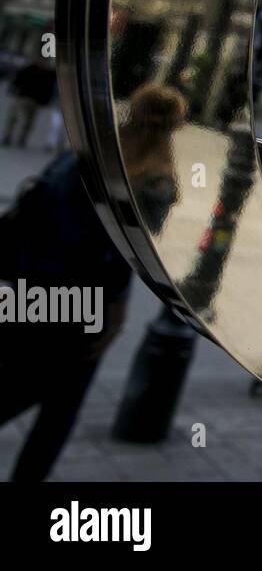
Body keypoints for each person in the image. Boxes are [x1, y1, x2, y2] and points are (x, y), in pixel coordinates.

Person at [0, 83, 184, 481]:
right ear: (176, 126)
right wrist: (116, 312)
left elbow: (35, 204)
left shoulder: (85, 152)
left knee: (18, 379)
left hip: (32, 291)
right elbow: (127, 252)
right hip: (88, 306)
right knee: (57, 411)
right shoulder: (154, 181)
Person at [3, 58, 58, 149]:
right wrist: (13, 89)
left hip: (34, 101)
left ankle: (22, 138)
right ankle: (8, 136)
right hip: (22, 97)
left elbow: (49, 89)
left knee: (29, 121)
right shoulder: (28, 69)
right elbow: (17, 79)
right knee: (13, 116)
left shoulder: (48, 74)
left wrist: (45, 101)